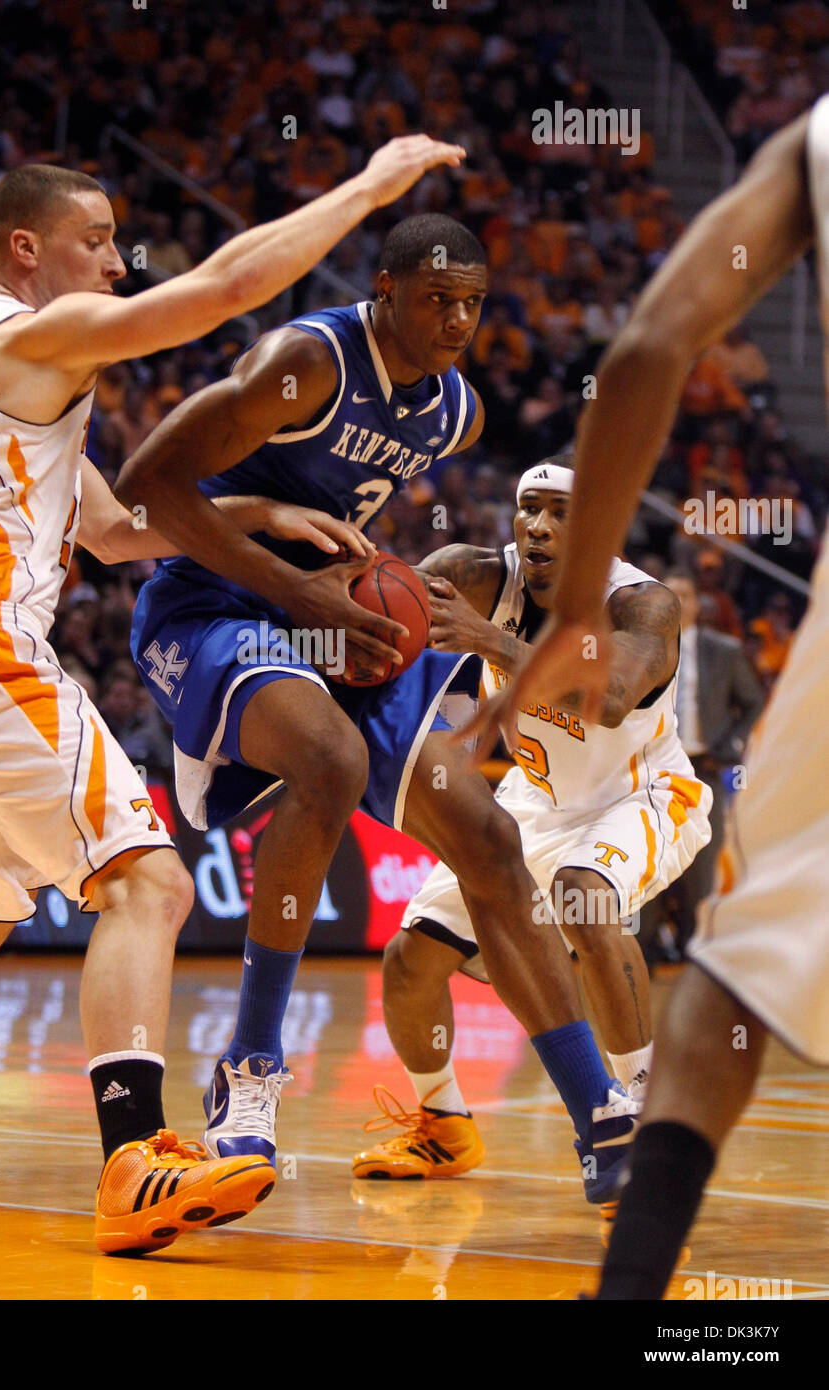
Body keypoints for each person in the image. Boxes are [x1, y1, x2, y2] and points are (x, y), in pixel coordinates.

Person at [0, 140, 469, 1257]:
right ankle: (133, 1157)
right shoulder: (23, 333)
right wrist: (367, 188)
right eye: (96, 240)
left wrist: (261, 516)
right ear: (26, 248)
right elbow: (222, 295)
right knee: (147, 882)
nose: (117, 261)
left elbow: (111, 533)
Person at [117, 214, 640, 1209]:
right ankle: (252, 1066)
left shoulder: (455, 413)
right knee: (327, 763)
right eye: (436, 298)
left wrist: (368, 591)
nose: (455, 320)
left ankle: (600, 1119)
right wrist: (294, 583)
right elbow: (146, 491)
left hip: (329, 615)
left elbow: (345, 513)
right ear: (386, 290)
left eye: (471, 304)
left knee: (486, 837)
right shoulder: (302, 365)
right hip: (209, 602)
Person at [466, 102, 826, 1299]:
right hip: (554, 805)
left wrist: (564, 610)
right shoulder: (480, 566)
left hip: (632, 792)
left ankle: (631, 1288)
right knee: (467, 943)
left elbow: (643, 354)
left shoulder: (815, 137)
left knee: (729, 964)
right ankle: (499, 1117)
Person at [353, 460, 711, 1204]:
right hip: (532, 798)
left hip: (640, 793)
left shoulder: (643, 604)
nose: (540, 527)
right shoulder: (474, 575)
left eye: (560, 513)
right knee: (409, 962)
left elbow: (609, 699)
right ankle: (443, 1123)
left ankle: (639, 1111)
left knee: (586, 898)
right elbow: (381, 618)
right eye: (528, 510)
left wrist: (490, 642)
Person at [637, 572, 763, 956]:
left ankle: (699, 967)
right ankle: (642, 966)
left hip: (703, 769)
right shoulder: (636, 649)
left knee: (700, 875)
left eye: (686, 594)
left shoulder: (723, 650)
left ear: (697, 603)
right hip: (649, 773)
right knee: (647, 872)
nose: (679, 600)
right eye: (670, 593)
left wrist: (728, 744)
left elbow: (754, 701)